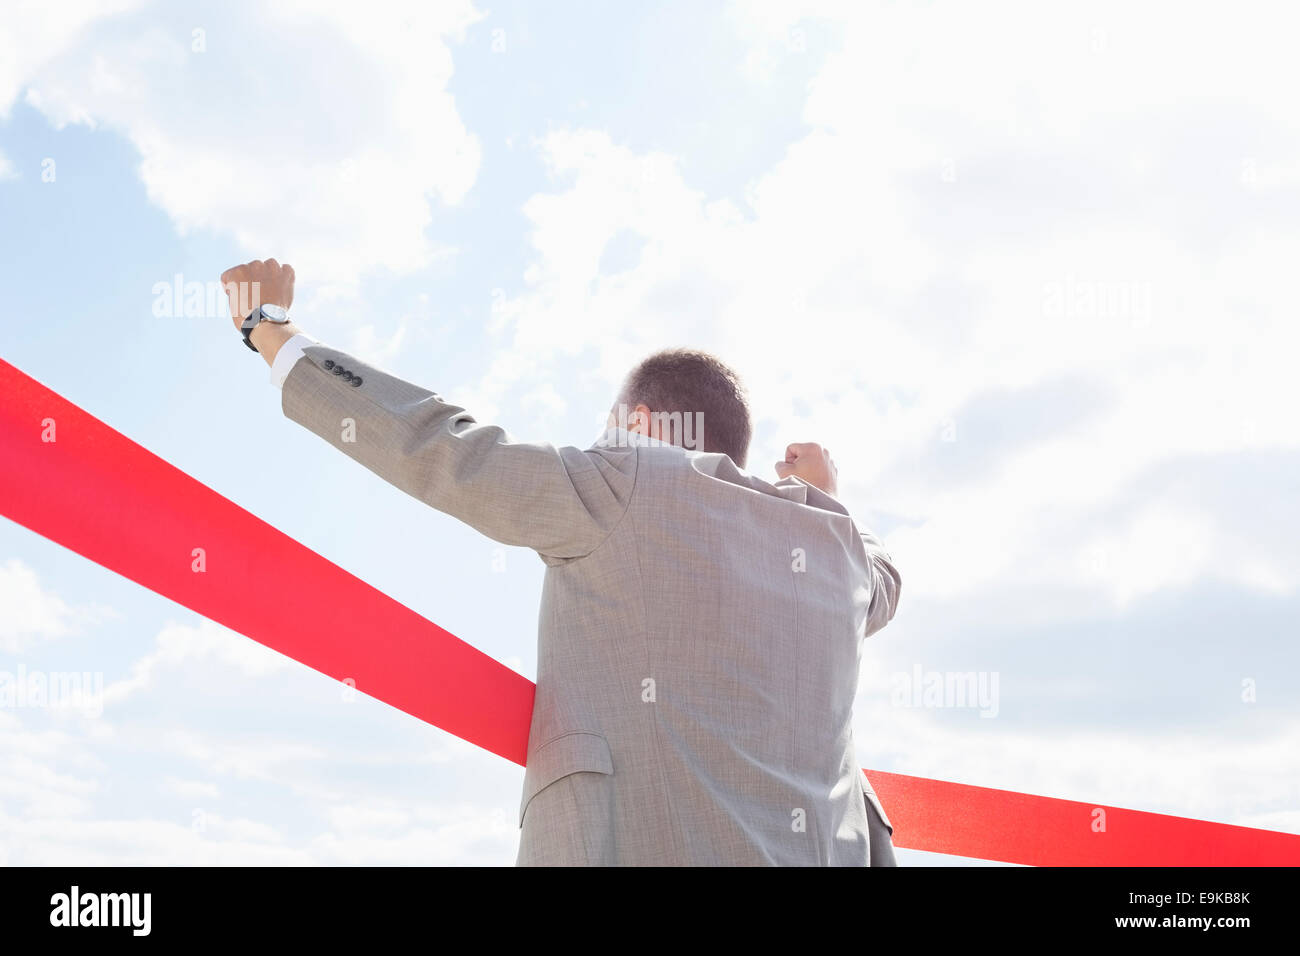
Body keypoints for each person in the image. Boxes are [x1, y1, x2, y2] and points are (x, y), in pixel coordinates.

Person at [221, 258, 903, 866]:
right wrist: (827, 500)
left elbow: (447, 450)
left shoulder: (625, 482)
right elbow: (885, 582)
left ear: (637, 423)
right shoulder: (833, 552)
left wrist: (271, 330)